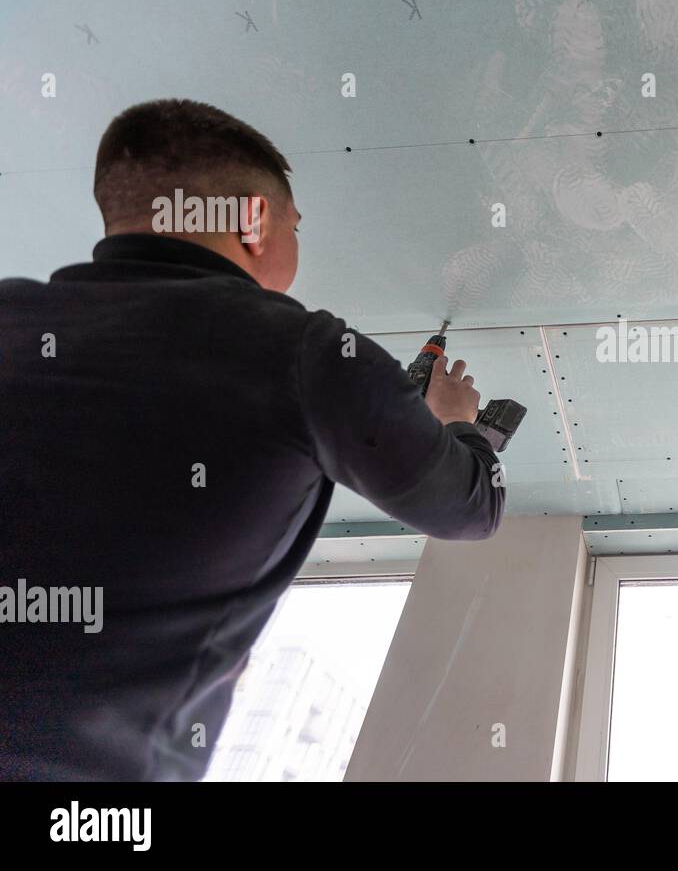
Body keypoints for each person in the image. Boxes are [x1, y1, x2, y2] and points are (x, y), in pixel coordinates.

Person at [0, 99, 504, 780]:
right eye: (296, 224)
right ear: (254, 222)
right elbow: (472, 509)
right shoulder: (308, 352)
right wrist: (456, 424)